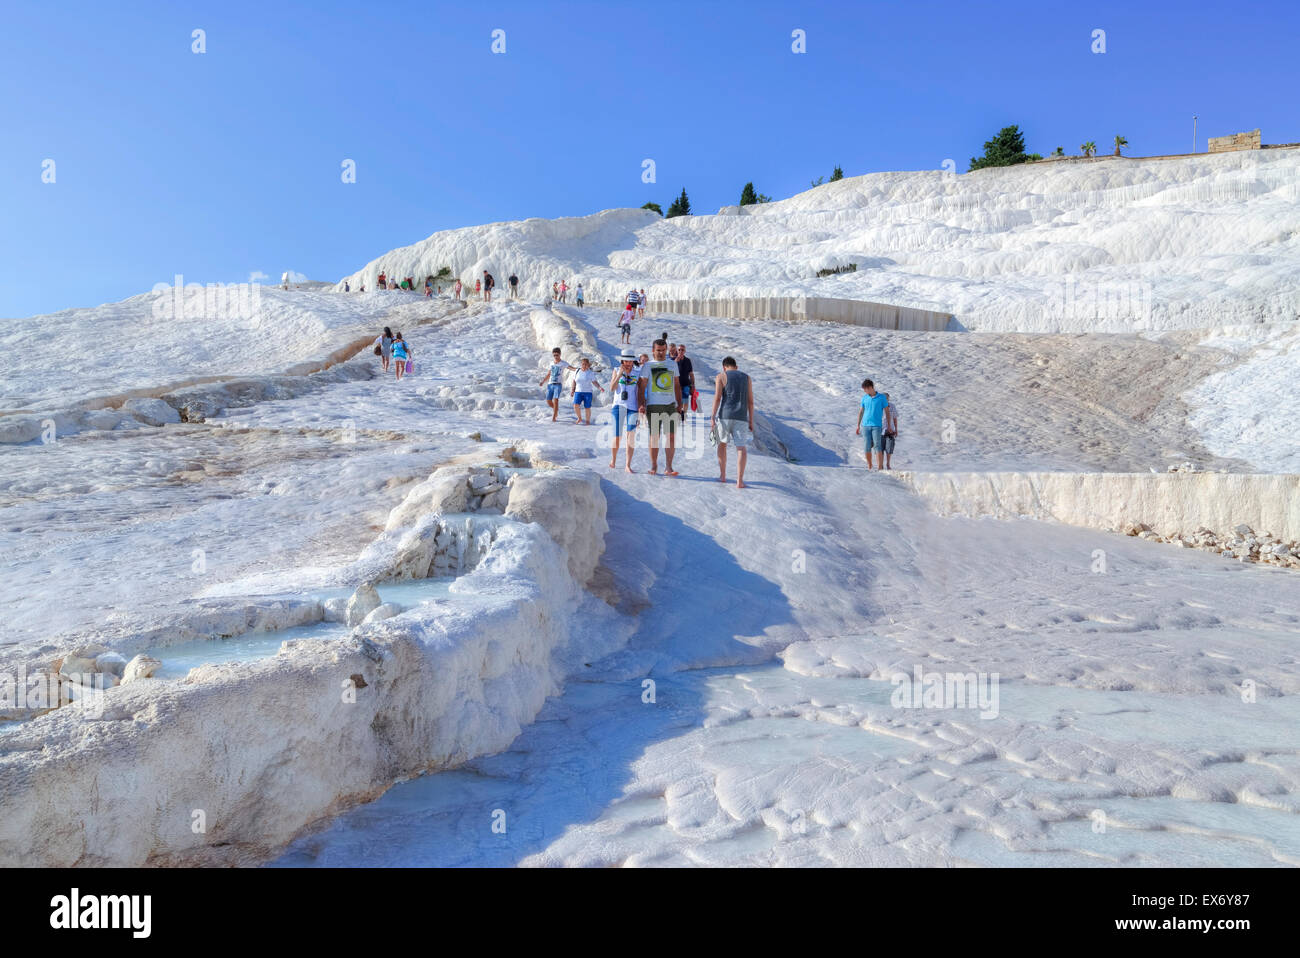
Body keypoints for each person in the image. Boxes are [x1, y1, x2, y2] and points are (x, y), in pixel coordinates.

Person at [637, 338, 684, 476]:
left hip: (670, 405)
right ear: (653, 350)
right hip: (654, 405)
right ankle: (654, 465)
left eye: (663, 350)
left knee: (671, 437)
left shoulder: (672, 364)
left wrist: (680, 404)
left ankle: (669, 467)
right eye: (658, 350)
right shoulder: (648, 366)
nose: (661, 353)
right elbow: (641, 387)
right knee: (654, 437)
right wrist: (641, 404)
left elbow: (677, 385)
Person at [710, 357, 754, 488]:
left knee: (722, 444)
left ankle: (723, 476)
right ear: (736, 367)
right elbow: (751, 401)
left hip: (725, 416)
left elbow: (717, 398)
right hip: (741, 417)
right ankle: (739, 481)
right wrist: (751, 420)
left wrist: (712, 416)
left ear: (724, 367)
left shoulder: (721, 376)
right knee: (741, 448)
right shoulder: (747, 378)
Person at [608, 351, 640, 472]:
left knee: (630, 437)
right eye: (626, 361)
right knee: (617, 436)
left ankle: (628, 465)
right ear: (622, 361)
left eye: (630, 361)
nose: (628, 363)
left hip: (632, 407)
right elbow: (612, 388)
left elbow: (639, 392)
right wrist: (619, 374)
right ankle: (613, 459)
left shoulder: (637, 373)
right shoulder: (616, 370)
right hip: (618, 405)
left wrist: (640, 410)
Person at [855, 379, 890, 469]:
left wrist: (889, 426)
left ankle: (879, 467)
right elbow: (861, 412)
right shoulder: (864, 398)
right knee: (866, 446)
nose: (864, 391)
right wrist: (858, 425)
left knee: (877, 446)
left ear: (870, 387)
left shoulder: (882, 397)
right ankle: (870, 466)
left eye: (865, 389)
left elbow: (887, 412)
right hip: (865, 426)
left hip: (877, 426)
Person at [538, 347, 573, 422]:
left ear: (560, 354)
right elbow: (549, 373)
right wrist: (543, 381)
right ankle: (556, 410)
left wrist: (580, 369)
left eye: (557, 355)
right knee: (548, 401)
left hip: (558, 384)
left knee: (556, 400)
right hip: (550, 384)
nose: (556, 356)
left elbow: (571, 368)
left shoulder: (563, 363)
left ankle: (554, 417)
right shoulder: (552, 363)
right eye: (554, 355)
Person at [570, 357, 604, 425]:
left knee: (587, 407)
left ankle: (587, 421)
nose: (584, 366)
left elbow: (594, 382)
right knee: (575, 405)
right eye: (583, 364)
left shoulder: (590, 373)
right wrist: (572, 390)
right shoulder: (577, 371)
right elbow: (574, 381)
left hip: (587, 392)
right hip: (578, 392)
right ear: (581, 364)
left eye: (586, 364)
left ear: (588, 365)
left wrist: (599, 387)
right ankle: (579, 418)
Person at [675, 344, 695, 412]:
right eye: (679, 349)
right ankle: (678, 414)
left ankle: (684, 415)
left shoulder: (687, 360)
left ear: (685, 351)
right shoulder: (673, 360)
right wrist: (675, 362)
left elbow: (691, 374)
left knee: (685, 401)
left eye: (682, 350)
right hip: (677, 385)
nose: (680, 351)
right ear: (677, 351)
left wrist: (693, 385)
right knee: (678, 402)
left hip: (686, 384)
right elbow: (669, 372)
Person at [882, 392, 899, 469]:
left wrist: (896, 429)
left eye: (887, 398)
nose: (886, 400)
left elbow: (895, 418)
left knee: (889, 447)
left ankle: (888, 464)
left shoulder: (892, 406)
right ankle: (881, 464)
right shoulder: (878, 406)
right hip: (880, 430)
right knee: (880, 448)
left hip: (890, 430)